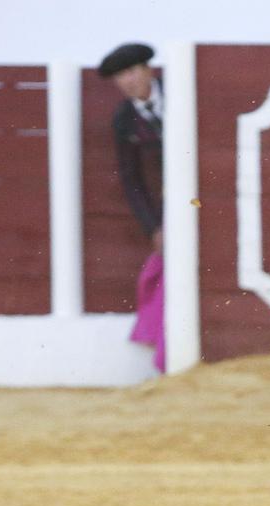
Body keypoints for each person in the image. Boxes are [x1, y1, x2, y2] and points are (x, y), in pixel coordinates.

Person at [99, 42, 165, 371]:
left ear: (147, 69)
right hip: (172, 207)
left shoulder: (182, 92)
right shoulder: (124, 120)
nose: (126, 81)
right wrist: (153, 227)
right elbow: (132, 180)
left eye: (130, 71)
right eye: (118, 77)